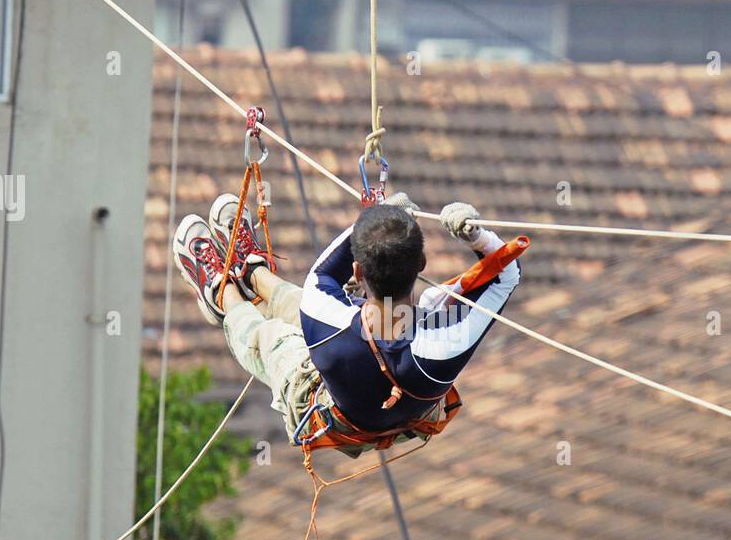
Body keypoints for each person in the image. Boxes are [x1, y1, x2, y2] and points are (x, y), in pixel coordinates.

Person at [172, 191, 521, 455]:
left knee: (270, 338)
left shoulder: (326, 313)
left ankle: (222, 292)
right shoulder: (444, 346)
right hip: (399, 401)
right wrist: (477, 237)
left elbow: (325, 271)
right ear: (422, 264)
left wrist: (381, 216)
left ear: (357, 272)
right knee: (300, 306)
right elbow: (507, 276)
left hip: (327, 408)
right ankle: (250, 269)